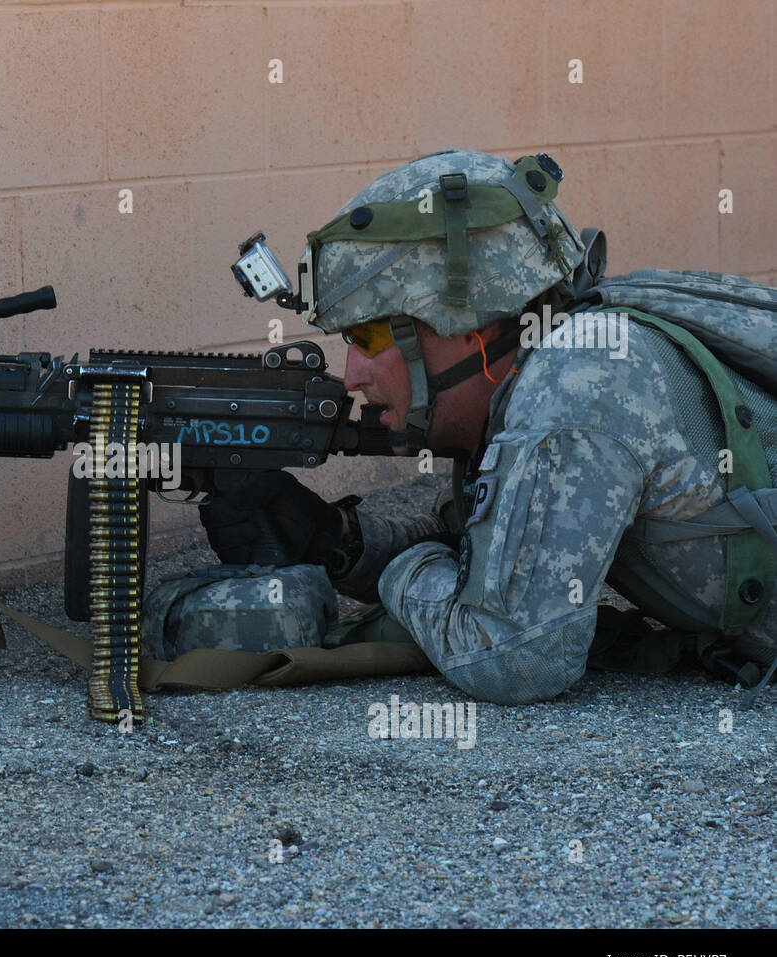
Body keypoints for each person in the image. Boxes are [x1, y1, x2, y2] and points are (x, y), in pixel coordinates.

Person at [200, 148, 777, 705]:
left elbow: (515, 657)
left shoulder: (580, 378)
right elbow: (487, 543)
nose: (352, 375)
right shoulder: (562, 360)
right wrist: (335, 540)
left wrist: (404, 572)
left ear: (468, 336)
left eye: (369, 337)